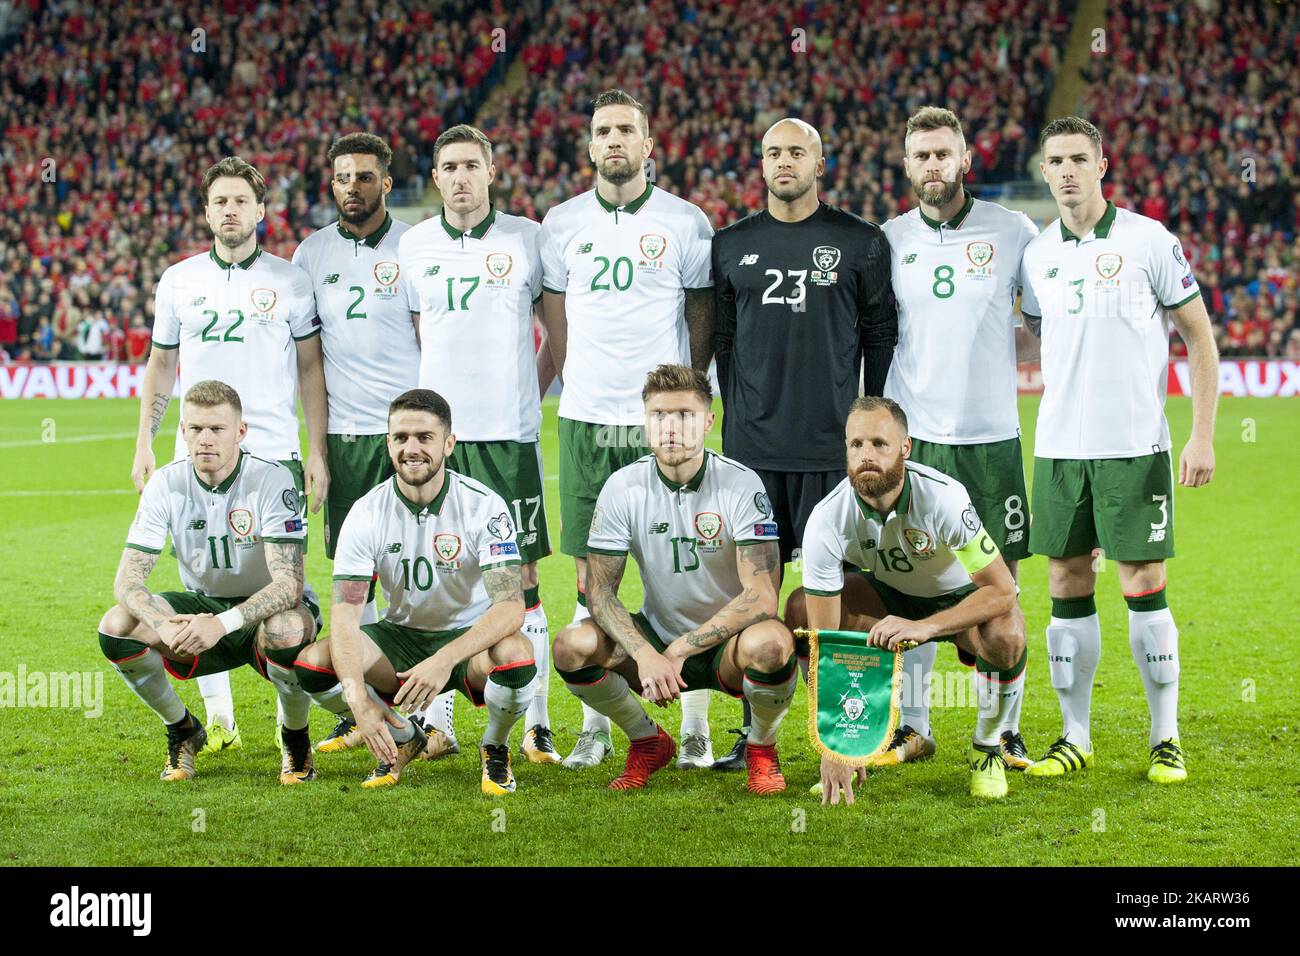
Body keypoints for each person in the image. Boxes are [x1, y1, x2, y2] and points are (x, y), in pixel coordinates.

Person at [1018, 116, 1218, 784]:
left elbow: (1200, 338)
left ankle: (1167, 738)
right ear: (1043, 173)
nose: (1067, 171)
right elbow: (1042, 332)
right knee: (1066, 585)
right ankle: (1076, 735)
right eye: (1056, 162)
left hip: (1134, 447)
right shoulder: (1037, 255)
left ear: (1102, 165)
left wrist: (1203, 434)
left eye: (1079, 159)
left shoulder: (1148, 240)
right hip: (1058, 450)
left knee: (1142, 586)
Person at [709, 117, 895, 768]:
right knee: (755, 602)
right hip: (753, 458)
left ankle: (848, 733)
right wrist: (739, 419)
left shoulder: (860, 243)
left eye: (796, 151)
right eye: (772, 152)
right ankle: (755, 738)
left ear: (822, 162)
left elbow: (878, 336)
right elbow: (723, 343)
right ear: (760, 165)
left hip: (829, 456)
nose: (783, 161)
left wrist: (866, 427)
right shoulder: (730, 245)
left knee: (833, 599)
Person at [540, 89, 717, 769]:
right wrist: (573, 382)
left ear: (650, 146)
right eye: (603, 131)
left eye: (627, 131)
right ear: (589, 146)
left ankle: (695, 722)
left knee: (690, 569)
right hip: (587, 420)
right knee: (593, 582)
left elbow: (701, 312)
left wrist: (687, 398)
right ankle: (600, 723)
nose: (614, 140)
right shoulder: (561, 223)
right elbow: (555, 323)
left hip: (663, 423)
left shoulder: (685, 221)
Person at [130, 157, 328, 754]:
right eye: (221, 201)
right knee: (205, 580)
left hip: (272, 454)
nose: (231, 210)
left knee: (280, 591)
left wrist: (315, 450)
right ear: (207, 210)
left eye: (242, 200)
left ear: (261, 210)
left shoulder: (291, 280)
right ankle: (218, 719)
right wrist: (145, 439)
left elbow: (311, 366)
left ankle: (289, 721)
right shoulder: (179, 280)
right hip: (198, 455)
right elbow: (161, 364)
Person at [879, 106, 1039, 769]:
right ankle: (914, 728)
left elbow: (1034, 324)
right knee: (913, 583)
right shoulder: (886, 240)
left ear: (966, 159)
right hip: (917, 442)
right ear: (907, 163)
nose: (933, 165)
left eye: (944, 153)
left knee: (1000, 592)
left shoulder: (1015, 231)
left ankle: (996, 731)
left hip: (991, 440)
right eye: (921, 155)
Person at [553, 365, 796, 794]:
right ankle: (647, 741)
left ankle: (761, 748)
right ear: (645, 422)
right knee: (572, 646)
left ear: (707, 420)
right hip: (657, 634)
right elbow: (601, 594)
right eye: (660, 415)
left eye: (684, 415)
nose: (671, 427)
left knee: (773, 643)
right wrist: (646, 653)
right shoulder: (622, 487)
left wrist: (682, 648)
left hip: (726, 645)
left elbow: (761, 597)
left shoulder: (741, 484)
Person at [398, 124, 559, 765]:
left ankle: (537, 724)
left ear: (492, 172)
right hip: (443, 440)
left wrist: (530, 394)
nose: (460, 177)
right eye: (449, 168)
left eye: (471, 165)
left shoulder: (527, 239)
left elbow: (553, 329)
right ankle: (438, 724)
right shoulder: (413, 246)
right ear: (435, 179)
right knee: (439, 575)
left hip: (508, 438)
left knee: (521, 580)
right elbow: (419, 334)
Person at [294, 389, 539, 793]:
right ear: (388, 443)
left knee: (515, 654)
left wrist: (444, 660)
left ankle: (494, 745)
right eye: (401, 437)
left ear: (448, 443)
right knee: (314, 663)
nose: (411, 449)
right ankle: (404, 735)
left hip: (468, 645)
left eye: (424, 438)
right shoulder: (366, 512)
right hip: (401, 641)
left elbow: (511, 608)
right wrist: (358, 702)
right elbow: (344, 619)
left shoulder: (484, 506)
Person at [787, 396, 1026, 801]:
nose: (866, 455)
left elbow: (1001, 590)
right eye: (856, 444)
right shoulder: (827, 519)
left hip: (956, 599)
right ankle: (864, 739)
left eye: (879, 444)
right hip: (889, 600)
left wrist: (926, 627)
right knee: (798, 609)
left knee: (1006, 635)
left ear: (905, 447)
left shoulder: (944, 497)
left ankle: (987, 748)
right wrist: (838, 743)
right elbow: (825, 640)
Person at [97, 381, 317, 784]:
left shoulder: (273, 480)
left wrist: (221, 624)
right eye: (195, 429)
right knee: (117, 626)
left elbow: (289, 586)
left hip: (264, 612)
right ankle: (183, 729)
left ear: (241, 432)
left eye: (217, 429)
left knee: (286, 629)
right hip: (201, 607)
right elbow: (128, 580)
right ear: (183, 432)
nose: (205, 439)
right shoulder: (166, 483)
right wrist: (163, 625)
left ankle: (295, 738)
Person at [290, 133, 419, 752]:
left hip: (408, 439)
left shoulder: (416, 246)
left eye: (365, 177)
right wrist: (315, 451)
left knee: (418, 573)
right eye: (343, 177)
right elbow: (309, 366)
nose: (352, 187)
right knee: (352, 576)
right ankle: (359, 703)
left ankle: (432, 713)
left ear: (386, 183)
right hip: (344, 439)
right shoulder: (310, 255)